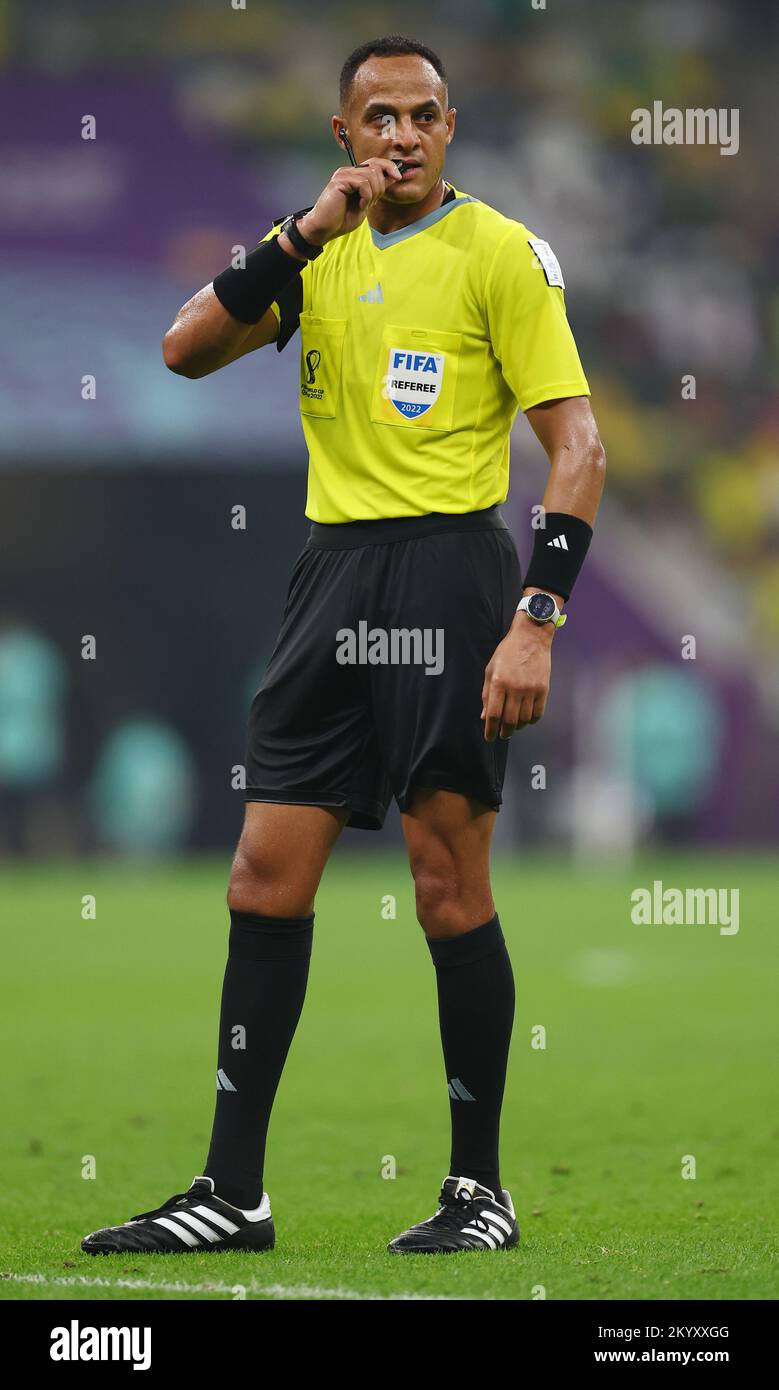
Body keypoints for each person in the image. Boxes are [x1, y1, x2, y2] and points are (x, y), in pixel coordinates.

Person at [81, 33, 605, 1258]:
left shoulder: (501, 255)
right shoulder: (308, 249)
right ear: (343, 135)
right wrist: (302, 234)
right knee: (263, 876)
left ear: (451, 127)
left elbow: (574, 447)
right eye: (379, 117)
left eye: (423, 115)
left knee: (444, 885)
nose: (402, 137)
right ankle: (232, 1192)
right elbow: (182, 348)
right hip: (327, 574)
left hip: (449, 572)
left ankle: (478, 1189)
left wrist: (536, 618)